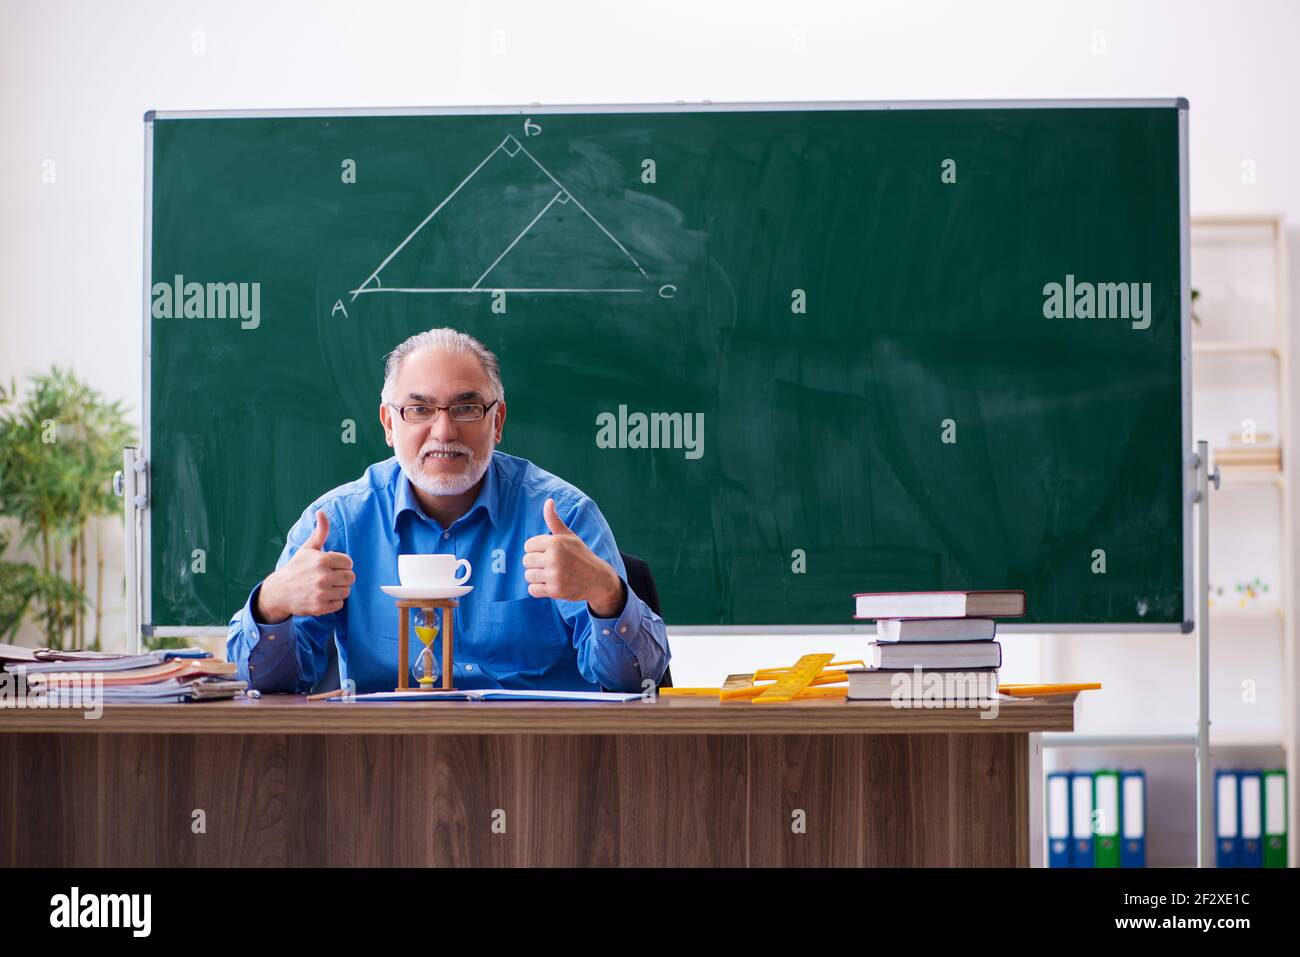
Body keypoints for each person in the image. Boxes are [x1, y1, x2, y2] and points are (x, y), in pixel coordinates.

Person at [225, 327, 671, 694]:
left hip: (540, 766)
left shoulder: (563, 517)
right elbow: (267, 688)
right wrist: (272, 606)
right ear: (388, 423)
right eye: (419, 409)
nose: (444, 430)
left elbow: (642, 683)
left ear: (496, 422)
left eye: (466, 408)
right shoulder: (337, 524)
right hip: (385, 766)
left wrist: (606, 595)